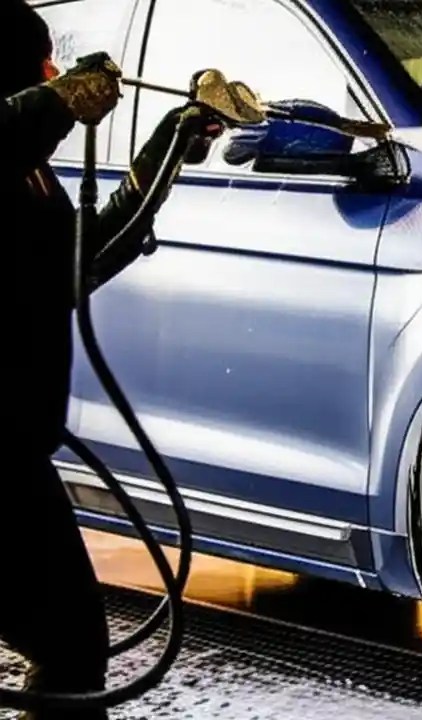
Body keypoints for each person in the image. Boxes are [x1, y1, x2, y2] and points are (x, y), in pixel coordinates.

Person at [0, 1, 224, 716]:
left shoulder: (27, 171)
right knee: (67, 644)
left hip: (9, 458)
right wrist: (54, 102)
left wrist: (165, 152)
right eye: (38, 65)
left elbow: (75, 264)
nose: (50, 72)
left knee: (72, 648)